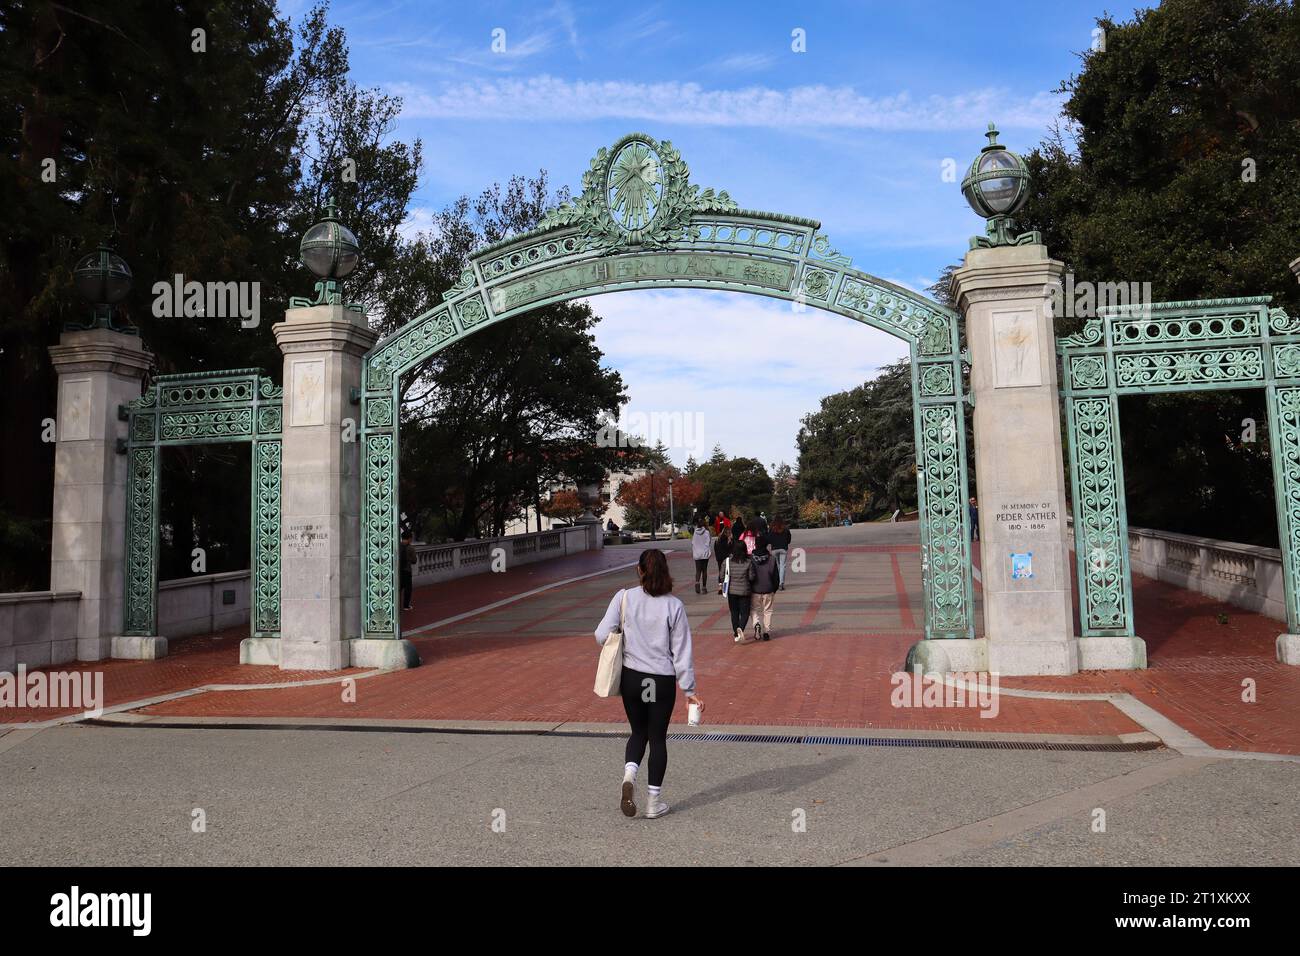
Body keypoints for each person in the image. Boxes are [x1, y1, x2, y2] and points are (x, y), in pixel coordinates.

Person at [594, 550, 700, 820]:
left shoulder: (624, 597)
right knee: (658, 738)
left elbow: (600, 634)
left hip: (633, 678)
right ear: (665, 572)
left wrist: (623, 633)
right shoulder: (674, 605)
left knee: (638, 733)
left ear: (639, 571)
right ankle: (654, 802)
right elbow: (682, 651)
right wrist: (689, 690)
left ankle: (630, 775)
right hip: (661, 680)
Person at [747, 541, 780, 641]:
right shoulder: (772, 559)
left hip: (755, 590)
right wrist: (774, 589)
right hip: (769, 589)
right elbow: (776, 577)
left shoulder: (750, 559)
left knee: (754, 609)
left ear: (755, 545)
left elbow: (749, 576)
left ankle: (756, 624)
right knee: (768, 611)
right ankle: (767, 631)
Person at [724, 541, 754, 644]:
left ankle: (736, 634)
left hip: (731, 591)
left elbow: (721, 575)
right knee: (745, 613)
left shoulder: (728, 561)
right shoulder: (748, 562)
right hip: (745, 591)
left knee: (734, 612)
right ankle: (741, 628)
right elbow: (751, 577)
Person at [768, 517, 792, 590]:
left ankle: (776, 582)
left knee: (776, 566)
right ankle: (781, 583)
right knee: (782, 566)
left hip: (774, 549)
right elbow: (789, 539)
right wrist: (785, 543)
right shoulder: (785, 529)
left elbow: (769, 539)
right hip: (783, 548)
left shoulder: (772, 529)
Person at [690, 518, 712, 594]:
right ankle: (704, 587)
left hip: (697, 553)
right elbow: (708, 542)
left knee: (698, 570)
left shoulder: (695, 533)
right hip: (704, 553)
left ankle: (697, 582)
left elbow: (693, 543)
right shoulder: (707, 532)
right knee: (704, 570)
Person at [399, 531, 416, 611]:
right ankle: (406, 606)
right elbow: (414, 561)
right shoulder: (411, 548)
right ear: (409, 538)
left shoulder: (397, 546)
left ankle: (396, 605)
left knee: (398, 588)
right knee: (408, 588)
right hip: (407, 570)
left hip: (398, 571)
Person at [713, 525, 732, 595]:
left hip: (719, 559)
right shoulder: (728, 540)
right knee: (727, 573)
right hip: (726, 558)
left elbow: (715, 549)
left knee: (721, 572)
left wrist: (717, 557)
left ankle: (720, 586)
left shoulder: (717, 539)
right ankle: (726, 587)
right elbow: (730, 549)